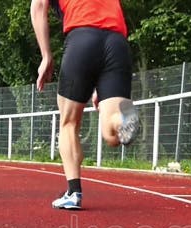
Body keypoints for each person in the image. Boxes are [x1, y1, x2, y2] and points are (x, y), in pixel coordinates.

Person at [30, 0, 140, 210]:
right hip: (117, 44)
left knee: (68, 123)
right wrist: (99, 84)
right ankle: (124, 118)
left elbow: (38, 6)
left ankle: (73, 193)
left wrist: (46, 56)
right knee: (114, 136)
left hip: (82, 40)